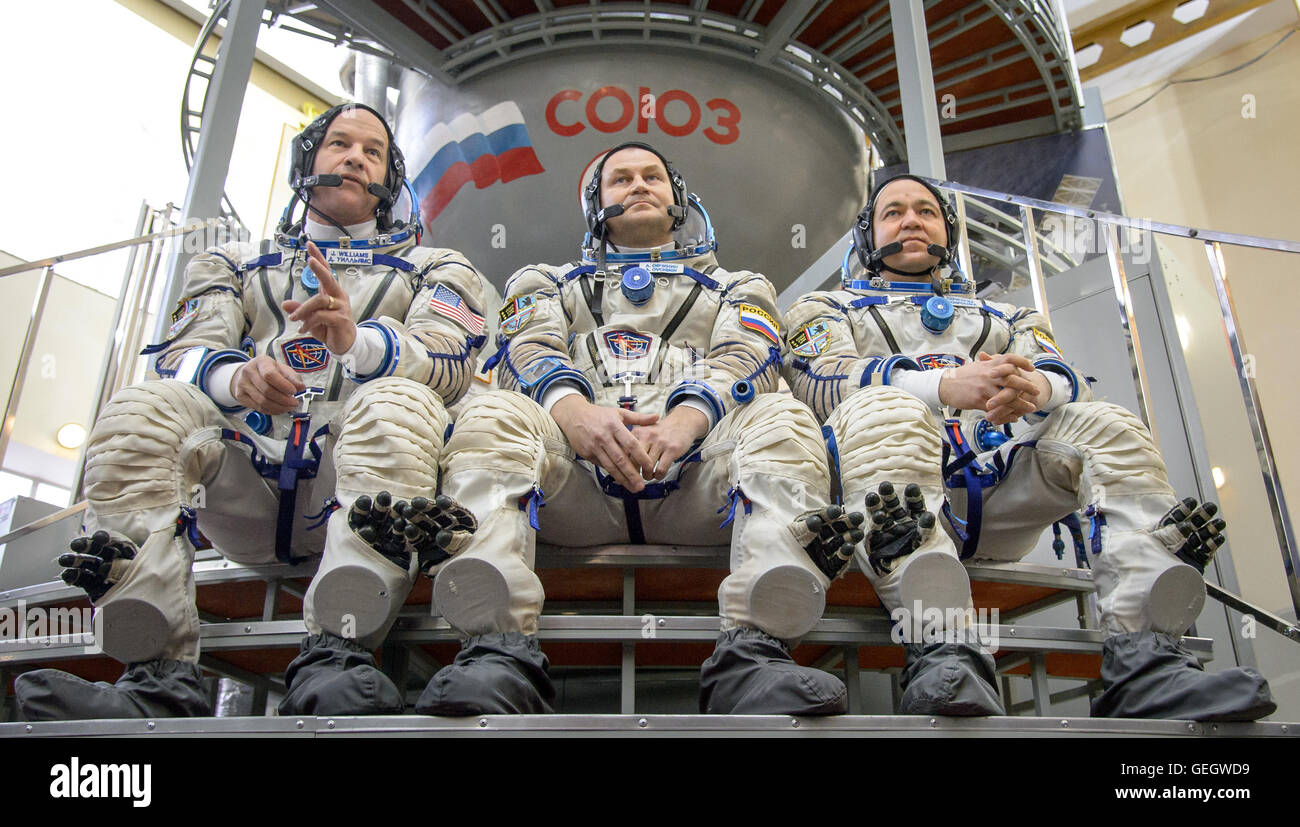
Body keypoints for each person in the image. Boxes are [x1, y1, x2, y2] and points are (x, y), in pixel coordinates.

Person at [14, 103, 486, 720]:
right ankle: (155, 676)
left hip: (360, 488)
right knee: (144, 407)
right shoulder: (232, 262)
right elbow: (179, 357)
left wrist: (359, 344)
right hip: (243, 491)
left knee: (399, 402)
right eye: (340, 144)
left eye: (372, 151)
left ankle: (338, 657)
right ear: (307, 161)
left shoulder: (436, 268)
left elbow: (449, 363)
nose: (355, 158)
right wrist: (234, 378)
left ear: (389, 179)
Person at [782, 173, 1275, 721]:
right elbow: (819, 381)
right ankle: (944, 652)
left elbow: (1067, 378)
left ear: (948, 230)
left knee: (1104, 423)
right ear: (868, 235)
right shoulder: (825, 309)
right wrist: (946, 385)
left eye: (926, 210)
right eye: (893, 212)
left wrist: (1034, 388)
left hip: (998, 496)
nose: (911, 220)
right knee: (887, 409)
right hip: (888, 506)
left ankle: (1147, 662)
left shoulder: (1008, 317)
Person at [411, 142, 866, 715]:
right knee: (493, 413)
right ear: (595, 204)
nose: (639, 185)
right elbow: (527, 349)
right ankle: (495, 652)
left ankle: (755, 654)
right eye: (620, 179)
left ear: (679, 198)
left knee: (783, 416)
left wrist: (685, 420)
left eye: (652, 176)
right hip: (574, 487)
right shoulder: (544, 281)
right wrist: (576, 414)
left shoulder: (739, 287)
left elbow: (746, 357)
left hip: (697, 487)